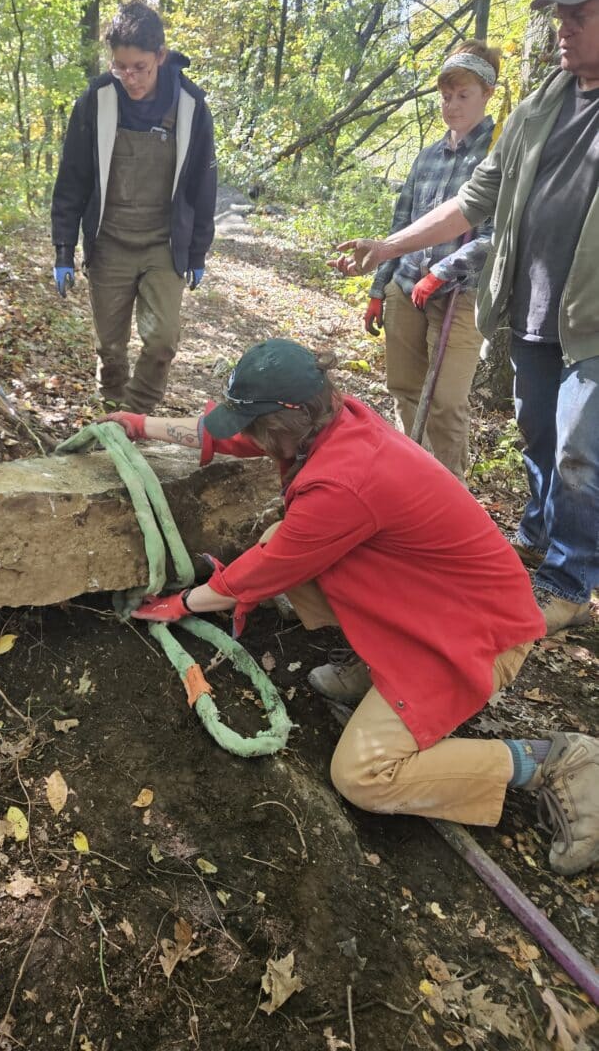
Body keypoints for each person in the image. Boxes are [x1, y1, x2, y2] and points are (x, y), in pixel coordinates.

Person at [102, 338, 599, 877]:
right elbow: (233, 437)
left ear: (288, 416)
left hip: (472, 632)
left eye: (255, 422)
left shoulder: (345, 481)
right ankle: (380, 666)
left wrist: (178, 604)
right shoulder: (330, 423)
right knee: (281, 538)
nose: (248, 435)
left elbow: (262, 574)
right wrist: (140, 424)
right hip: (433, 601)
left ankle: (556, 763)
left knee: (362, 775)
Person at [335, 0, 599, 637]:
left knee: (579, 446)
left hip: (592, 317)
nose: (564, 28)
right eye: (561, 15)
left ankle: (569, 582)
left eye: (580, 15)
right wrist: (389, 251)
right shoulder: (543, 106)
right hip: (537, 308)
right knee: (539, 430)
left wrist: (439, 271)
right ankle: (536, 538)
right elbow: (474, 202)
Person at [51, 0, 217, 413]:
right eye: (120, 67)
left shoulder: (191, 106)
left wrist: (197, 251)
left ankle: (137, 415)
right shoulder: (96, 99)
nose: (130, 77)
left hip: (164, 243)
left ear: (160, 56)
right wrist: (62, 249)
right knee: (109, 346)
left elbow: (202, 185)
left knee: (161, 340)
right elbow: (72, 178)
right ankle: (112, 414)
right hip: (109, 242)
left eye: (139, 67)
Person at [365, 40, 499, 481]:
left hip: (461, 295)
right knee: (404, 387)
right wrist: (378, 290)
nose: (452, 106)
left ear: (487, 94)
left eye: (464, 96)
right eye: (446, 96)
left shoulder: (497, 156)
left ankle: (449, 490)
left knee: (445, 401)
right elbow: (400, 225)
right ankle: (413, 476)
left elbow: (496, 236)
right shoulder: (427, 157)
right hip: (406, 288)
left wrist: (442, 272)